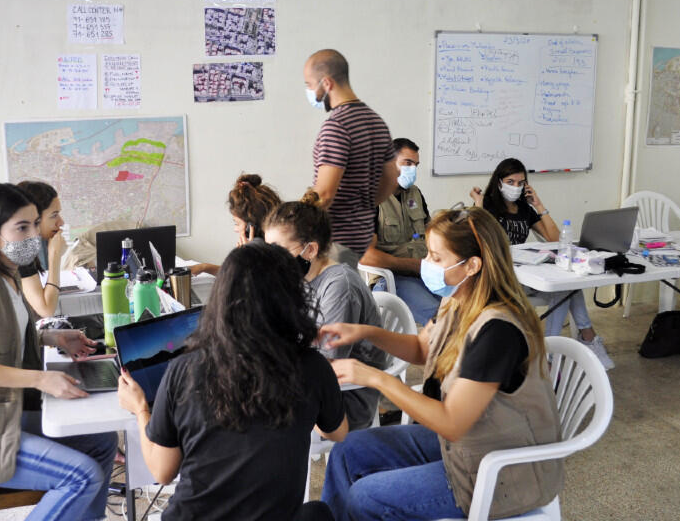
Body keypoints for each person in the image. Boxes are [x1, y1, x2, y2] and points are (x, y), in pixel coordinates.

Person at [319, 206, 564, 520]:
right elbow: (423, 349)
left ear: (472, 265)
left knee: (365, 497)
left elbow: (451, 422)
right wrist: (364, 332)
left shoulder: (497, 331)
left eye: (436, 257)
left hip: (500, 472)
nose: (425, 264)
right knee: (347, 451)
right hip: (467, 446)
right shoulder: (457, 299)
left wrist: (377, 378)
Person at [0, 183, 117, 521]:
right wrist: (40, 379)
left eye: (34, 224)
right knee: (82, 476)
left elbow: (1, 337)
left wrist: (54, 338)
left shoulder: (7, 274)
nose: (33, 235)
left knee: (102, 440)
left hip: (1, 415)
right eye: (21, 227)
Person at [117, 242, 346, 521]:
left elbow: (162, 471)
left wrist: (141, 408)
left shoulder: (183, 370)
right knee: (319, 513)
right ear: (292, 300)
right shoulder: (314, 367)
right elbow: (338, 433)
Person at [470, 158, 614, 369]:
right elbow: (476, 241)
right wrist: (478, 204)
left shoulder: (524, 209)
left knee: (567, 287)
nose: (516, 187)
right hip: (500, 278)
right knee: (567, 289)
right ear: (499, 182)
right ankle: (585, 338)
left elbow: (555, 239)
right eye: (510, 182)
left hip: (525, 273)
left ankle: (549, 354)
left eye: (521, 183)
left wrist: (539, 205)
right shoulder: (488, 206)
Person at [264, 191, 388, 430]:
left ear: (310, 250)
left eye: (278, 251)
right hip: (312, 380)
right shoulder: (299, 277)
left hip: (345, 397)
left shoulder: (340, 286)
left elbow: (326, 363)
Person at [304, 49, 398, 268]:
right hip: (361, 234)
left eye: (309, 84)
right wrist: (362, 208)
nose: (309, 91)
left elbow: (324, 194)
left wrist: (294, 227)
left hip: (335, 239)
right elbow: (392, 180)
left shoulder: (337, 126)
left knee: (332, 289)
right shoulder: (376, 122)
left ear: (326, 83)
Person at [360, 138, 442, 325]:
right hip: (391, 278)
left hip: (422, 272)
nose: (413, 170)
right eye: (407, 163)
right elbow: (366, 256)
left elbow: (430, 235)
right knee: (438, 316)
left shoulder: (415, 193)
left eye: (416, 165)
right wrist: (411, 266)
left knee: (459, 305)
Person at [189, 173, 281, 276]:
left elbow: (244, 280)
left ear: (252, 228)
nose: (235, 229)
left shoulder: (275, 257)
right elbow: (234, 273)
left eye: (237, 223)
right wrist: (204, 267)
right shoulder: (268, 248)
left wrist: (247, 258)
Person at [16, 180, 67, 318]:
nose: (61, 222)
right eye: (54, 215)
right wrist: (55, 255)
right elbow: (46, 310)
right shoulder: (19, 250)